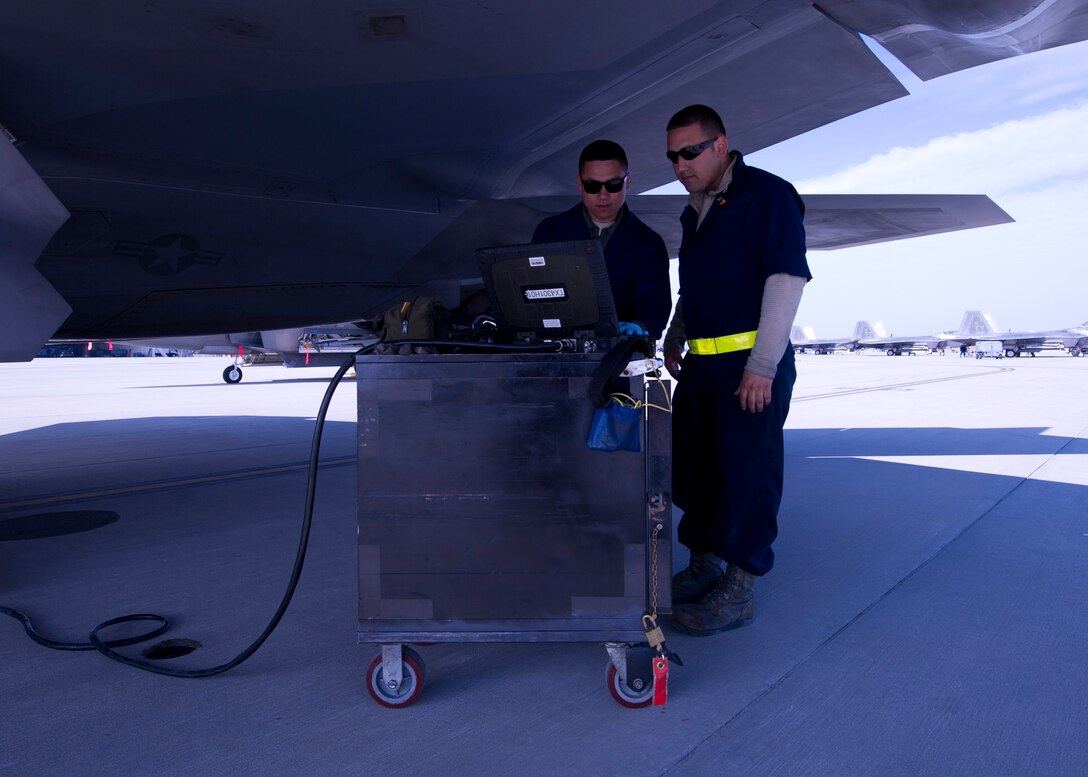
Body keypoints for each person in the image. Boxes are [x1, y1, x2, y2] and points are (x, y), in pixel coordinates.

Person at [662, 104, 811, 636]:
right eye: (673, 156)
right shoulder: (693, 212)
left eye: (690, 152)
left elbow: (786, 280)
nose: (680, 164)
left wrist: (763, 367)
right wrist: (676, 335)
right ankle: (705, 564)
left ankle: (740, 585)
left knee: (748, 475)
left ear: (721, 145)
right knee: (696, 471)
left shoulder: (766, 195)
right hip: (702, 369)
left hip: (749, 368)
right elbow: (695, 289)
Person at [532, 139, 672, 341]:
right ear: (580, 184)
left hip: (618, 362)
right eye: (592, 186)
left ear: (628, 181)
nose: (603, 194)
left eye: (613, 184)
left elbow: (654, 310)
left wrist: (639, 326)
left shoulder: (648, 244)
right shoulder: (549, 233)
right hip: (557, 357)